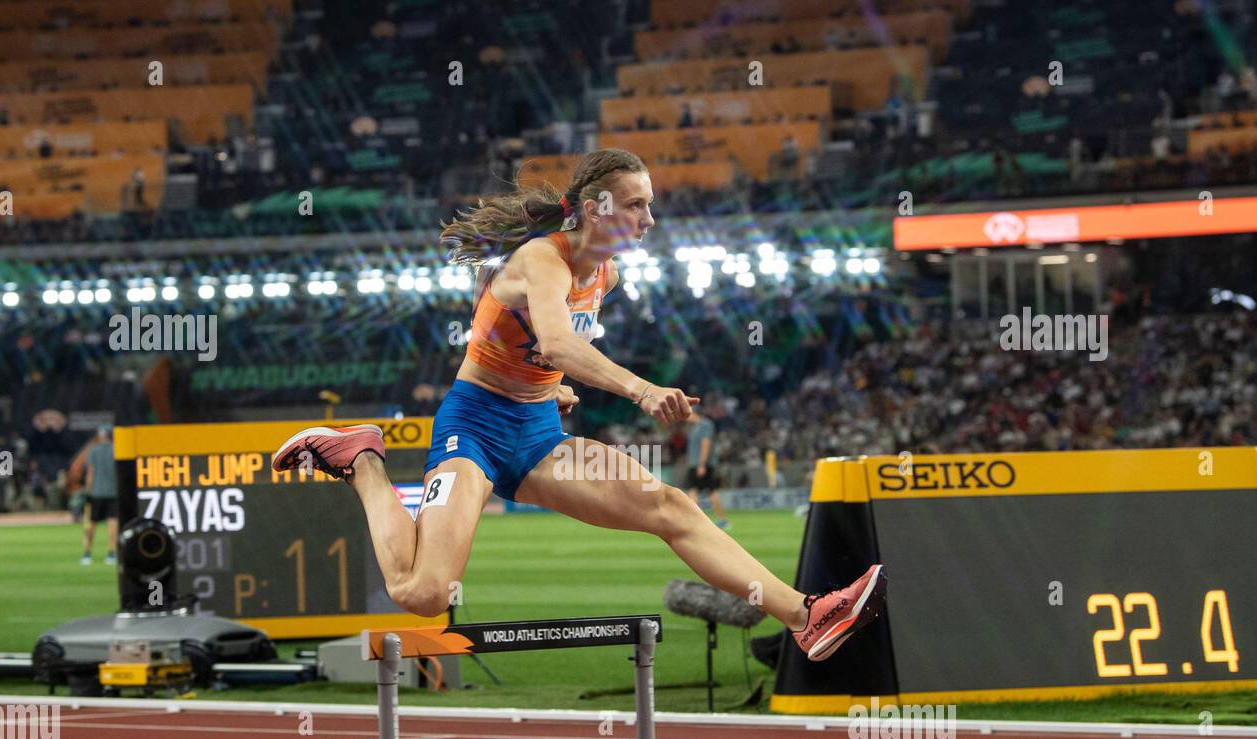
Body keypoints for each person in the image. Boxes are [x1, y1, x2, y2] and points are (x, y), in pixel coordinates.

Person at [272, 148, 886, 662]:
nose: (651, 217)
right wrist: (639, 388)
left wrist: (552, 383)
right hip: (475, 427)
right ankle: (363, 461)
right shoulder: (542, 257)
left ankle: (805, 615)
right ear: (597, 208)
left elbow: (549, 346)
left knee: (668, 506)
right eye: (638, 203)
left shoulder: (607, 275)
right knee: (425, 593)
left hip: (539, 433)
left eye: (650, 203)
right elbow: (560, 338)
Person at [685, 398, 730, 530]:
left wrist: (702, 464)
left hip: (701, 464)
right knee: (705, 491)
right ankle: (720, 519)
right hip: (697, 463)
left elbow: (706, 444)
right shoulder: (697, 426)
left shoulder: (705, 425)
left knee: (696, 491)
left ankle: (695, 520)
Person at [81, 427, 118, 565]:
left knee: (91, 524)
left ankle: (86, 553)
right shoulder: (116, 449)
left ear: (100, 436)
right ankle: (111, 553)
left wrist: (88, 491)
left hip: (96, 492)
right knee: (113, 523)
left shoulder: (94, 450)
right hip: (113, 492)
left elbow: (91, 473)